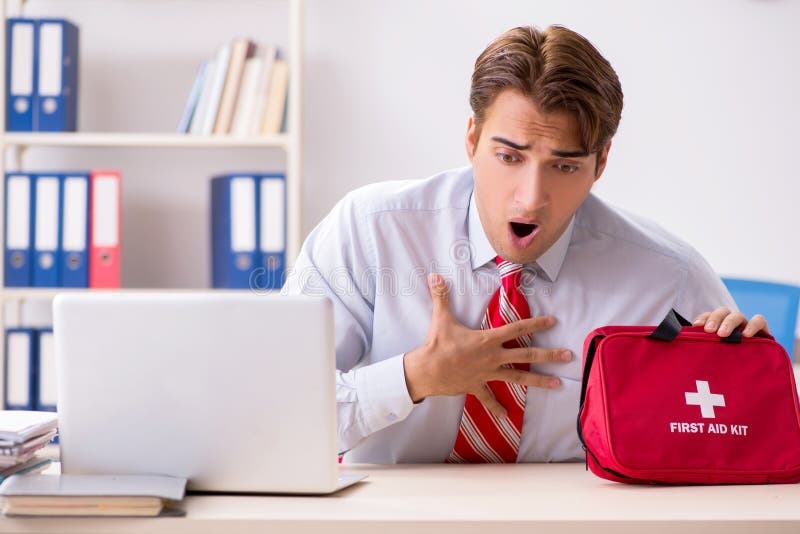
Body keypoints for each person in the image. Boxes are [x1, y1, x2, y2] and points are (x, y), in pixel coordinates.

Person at [283, 25, 768, 463]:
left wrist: (743, 373)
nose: (531, 198)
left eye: (565, 166)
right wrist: (414, 377)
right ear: (471, 140)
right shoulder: (368, 232)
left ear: (601, 164)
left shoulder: (668, 278)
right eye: (508, 157)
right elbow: (275, 419)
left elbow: (751, 444)